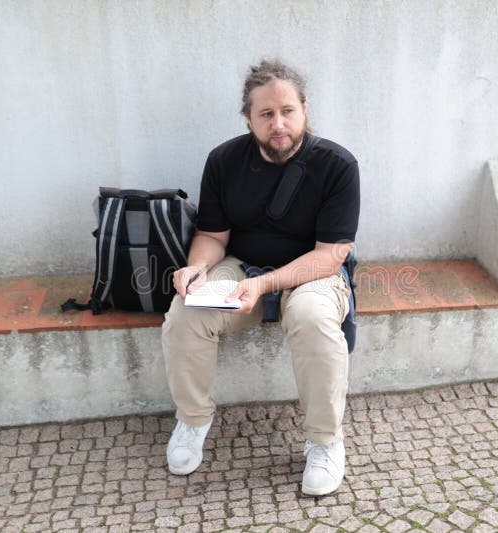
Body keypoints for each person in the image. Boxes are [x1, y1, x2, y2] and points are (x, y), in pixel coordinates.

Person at [161, 59, 360, 496]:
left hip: (311, 271)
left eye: (287, 110)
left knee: (311, 316)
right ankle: (193, 422)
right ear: (248, 117)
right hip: (242, 266)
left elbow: (330, 256)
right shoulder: (223, 160)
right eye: (266, 114)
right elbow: (213, 234)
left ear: (305, 109)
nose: (278, 123)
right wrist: (197, 266)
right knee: (185, 313)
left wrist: (265, 285)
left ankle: (325, 441)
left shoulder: (338, 165)